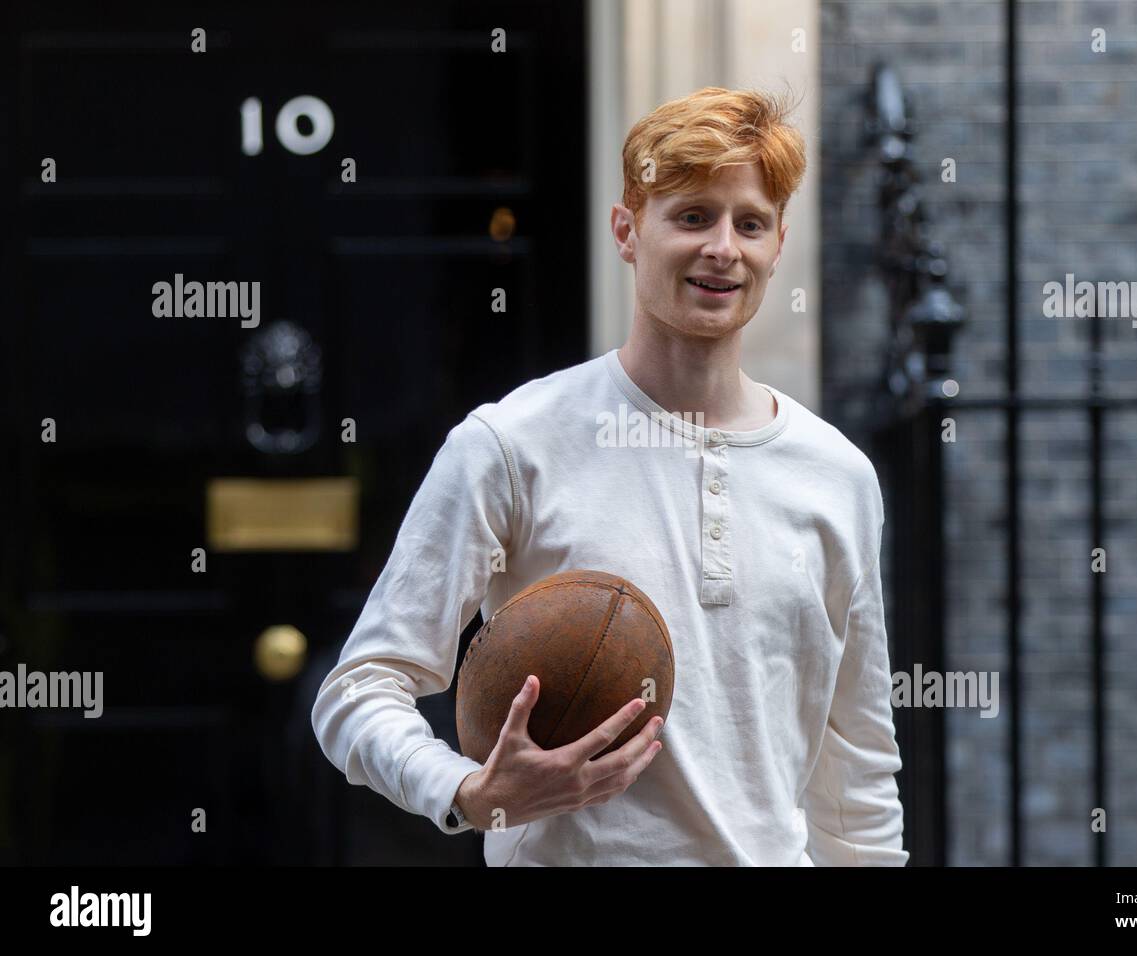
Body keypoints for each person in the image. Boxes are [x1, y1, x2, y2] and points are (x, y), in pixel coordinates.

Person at [312, 86, 908, 866]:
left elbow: (856, 773)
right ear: (627, 231)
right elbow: (358, 690)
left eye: (749, 223)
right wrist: (469, 793)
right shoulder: (512, 444)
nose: (723, 247)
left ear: (777, 245)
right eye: (692, 216)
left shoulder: (838, 476)